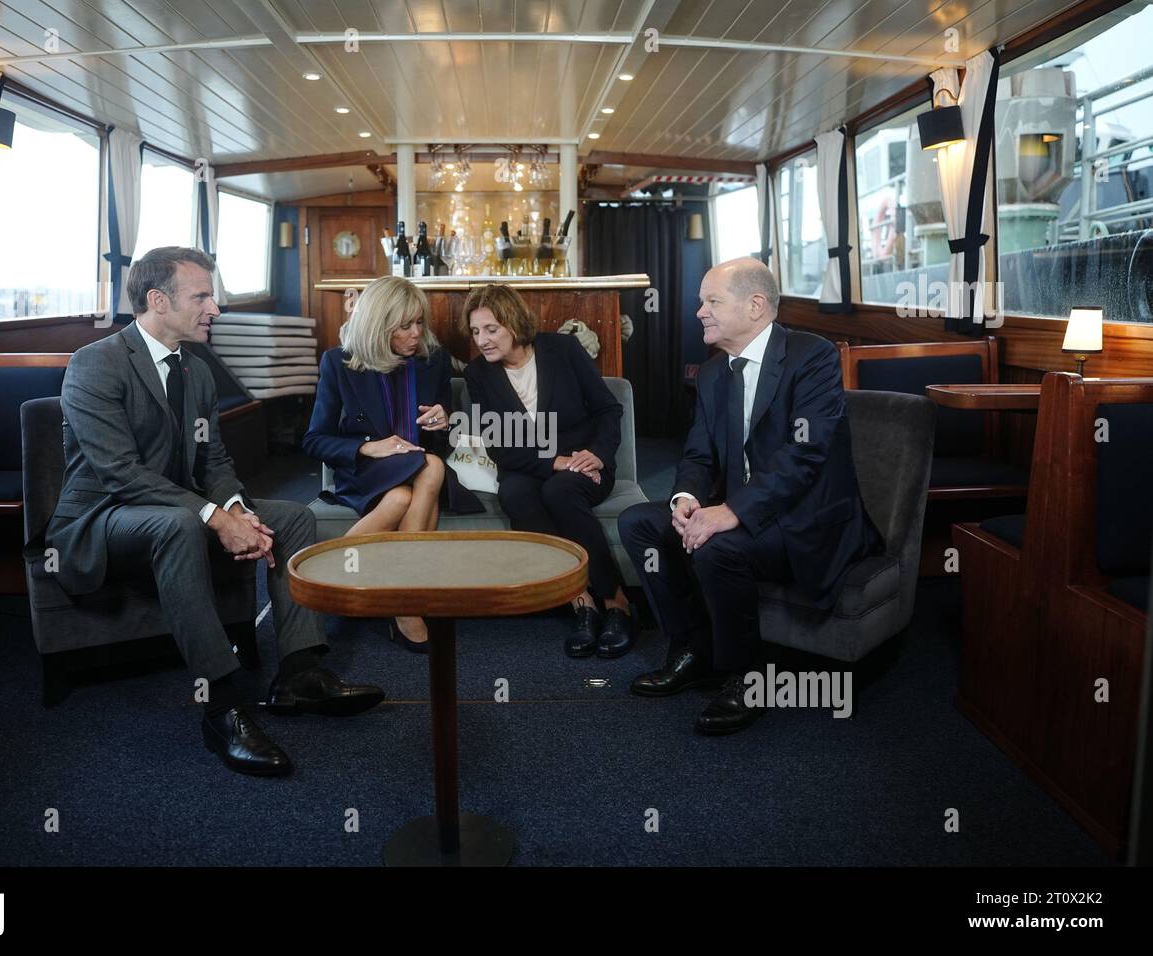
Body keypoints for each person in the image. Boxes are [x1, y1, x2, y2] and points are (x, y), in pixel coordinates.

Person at [47, 247, 384, 778]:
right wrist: (213, 516)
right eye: (201, 296)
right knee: (180, 523)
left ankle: (298, 673)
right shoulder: (96, 362)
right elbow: (119, 473)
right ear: (158, 301)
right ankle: (222, 706)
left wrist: (234, 507)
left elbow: (213, 459)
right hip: (102, 517)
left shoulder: (196, 370)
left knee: (294, 516)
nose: (215, 308)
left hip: (175, 506)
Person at [618, 258, 882, 735]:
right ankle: (694, 651)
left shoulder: (813, 357)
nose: (699, 311)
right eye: (702, 302)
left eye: (711, 301)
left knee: (718, 545)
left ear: (756, 305)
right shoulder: (713, 374)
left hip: (803, 519)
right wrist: (684, 498)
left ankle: (748, 677)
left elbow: (806, 455)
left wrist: (731, 512)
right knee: (638, 522)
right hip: (739, 508)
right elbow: (698, 453)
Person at [303, 275, 481, 652]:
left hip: (421, 464)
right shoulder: (339, 363)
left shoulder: (432, 362)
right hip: (367, 470)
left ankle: (369, 584)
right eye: (404, 326)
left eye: (419, 323)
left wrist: (444, 420)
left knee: (418, 477)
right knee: (420, 475)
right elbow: (315, 439)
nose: (416, 333)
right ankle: (408, 597)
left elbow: (445, 439)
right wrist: (370, 448)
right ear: (378, 325)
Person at [461, 283, 634, 658]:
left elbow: (608, 409)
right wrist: (551, 461)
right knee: (515, 494)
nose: (482, 340)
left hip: (584, 460)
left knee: (560, 491)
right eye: (476, 332)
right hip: (525, 464)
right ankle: (581, 601)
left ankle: (615, 600)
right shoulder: (479, 374)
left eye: (491, 329)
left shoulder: (563, 349)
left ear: (514, 323)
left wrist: (598, 454)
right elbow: (498, 444)